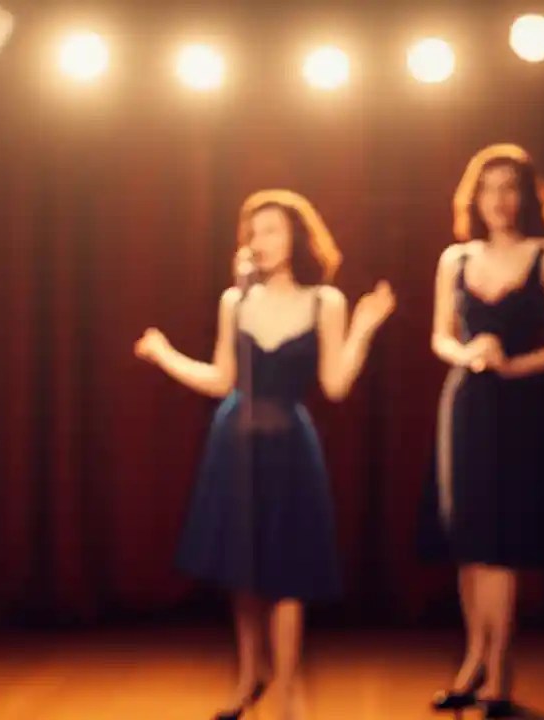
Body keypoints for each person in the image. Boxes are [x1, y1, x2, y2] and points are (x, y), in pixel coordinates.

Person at [134, 189, 395, 720]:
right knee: (243, 568)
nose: (261, 241)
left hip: (290, 447)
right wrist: (164, 355)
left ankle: (288, 692)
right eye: (254, 232)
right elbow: (221, 379)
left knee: (288, 573)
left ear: (296, 235)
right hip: (234, 442)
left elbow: (335, 384)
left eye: (272, 229)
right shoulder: (236, 302)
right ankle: (249, 676)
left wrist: (365, 328)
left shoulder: (325, 301)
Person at [417, 144, 544, 719]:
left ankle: (500, 676)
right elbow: (439, 337)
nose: (500, 199)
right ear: (475, 197)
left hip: (521, 404)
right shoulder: (455, 259)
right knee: (468, 540)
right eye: (489, 188)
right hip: (466, 404)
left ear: (526, 195)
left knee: (503, 541)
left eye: (510, 187)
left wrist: (512, 365)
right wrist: (469, 354)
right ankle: (473, 662)